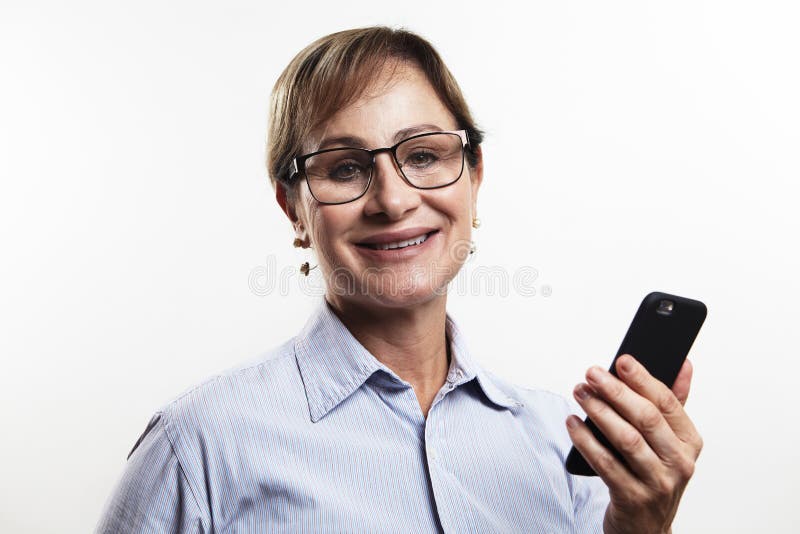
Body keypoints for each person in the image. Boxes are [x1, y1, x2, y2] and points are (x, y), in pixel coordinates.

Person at [96, 26, 702, 533]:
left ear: (474, 175)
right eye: (344, 168)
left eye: (422, 155)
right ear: (293, 208)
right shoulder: (198, 446)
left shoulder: (564, 449)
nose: (393, 199)